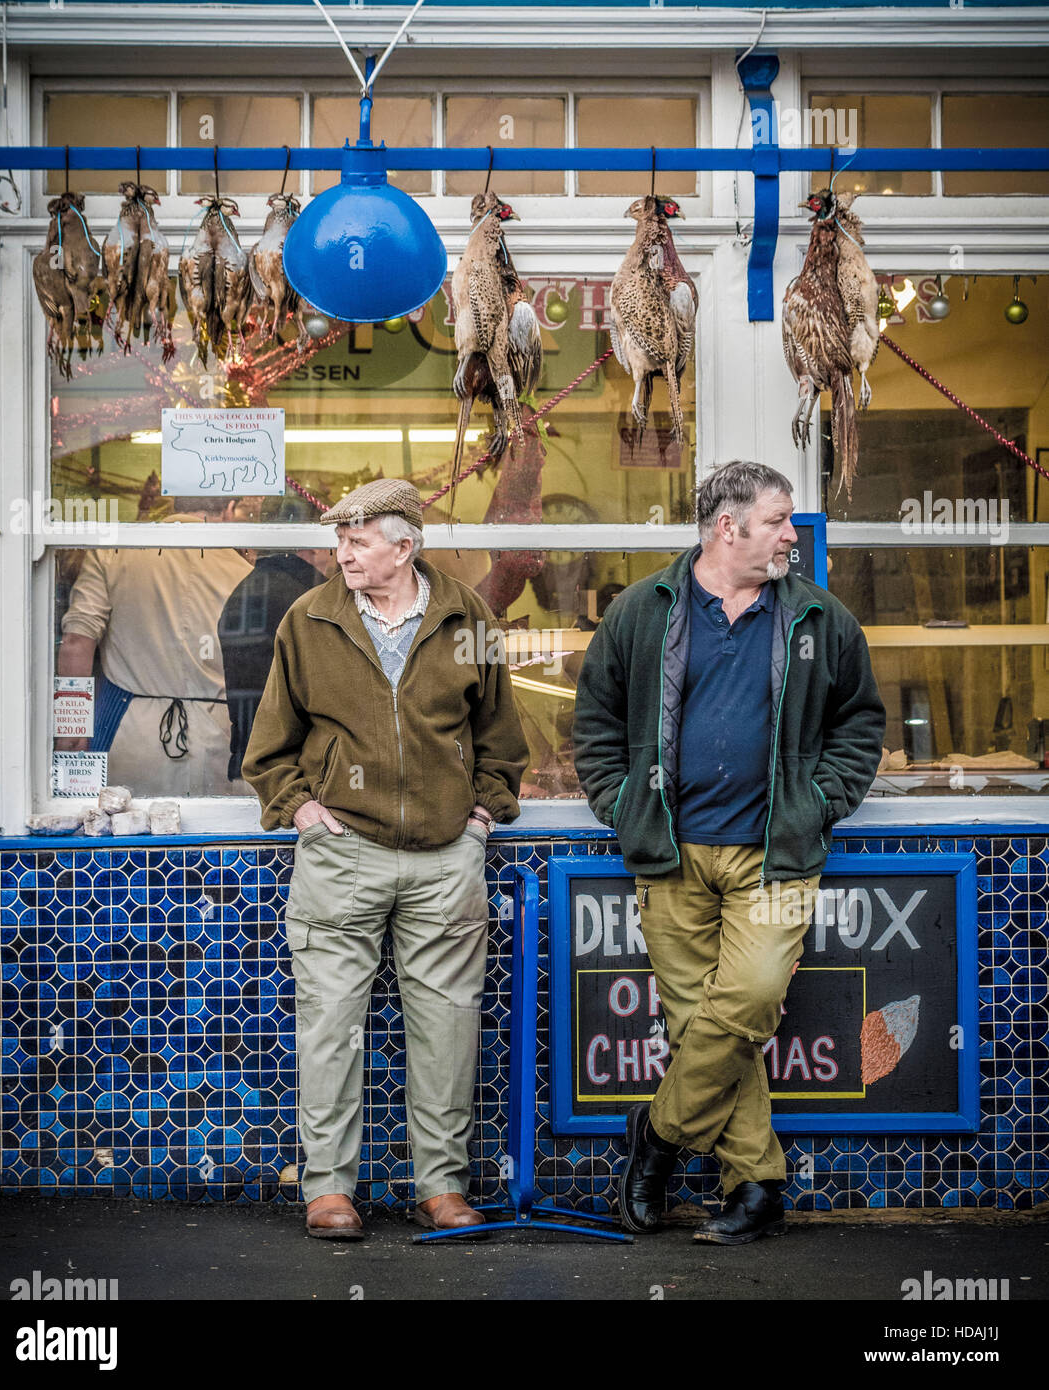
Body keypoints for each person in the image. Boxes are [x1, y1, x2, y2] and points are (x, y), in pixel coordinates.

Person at [573, 461, 885, 1243]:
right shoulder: (642, 610)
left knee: (744, 1001)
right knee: (700, 1028)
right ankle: (756, 1185)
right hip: (670, 854)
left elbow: (859, 723)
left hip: (774, 856)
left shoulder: (818, 616)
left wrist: (821, 800)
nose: (790, 534)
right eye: (778, 520)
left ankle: (657, 1140)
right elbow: (595, 722)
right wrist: (622, 806)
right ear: (726, 526)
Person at [242, 478, 529, 1239]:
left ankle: (440, 1187)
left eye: (358, 541)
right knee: (330, 1027)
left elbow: (501, 731)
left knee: (447, 1027)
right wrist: (299, 807)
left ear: (404, 547)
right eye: (339, 540)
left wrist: (483, 812)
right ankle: (329, 1189)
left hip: (445, 858)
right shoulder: (308, 619)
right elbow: (269, 743)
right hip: (342, 854)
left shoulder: (467, 614)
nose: (341, 553)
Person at [56, 497, 253, 796]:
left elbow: (75, 643)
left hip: (130, 739)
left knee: (125, 830)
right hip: (218, 742)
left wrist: (72, 730)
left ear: (173, 503)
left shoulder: (114, 553)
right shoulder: (245, 571)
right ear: (228, 509)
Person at [219, 536, 334, 782]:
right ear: (313, 546)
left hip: (253, 755)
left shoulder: (248, 588)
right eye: (335, 545)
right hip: (299, 767)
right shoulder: (314, 598)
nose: (341, 556)